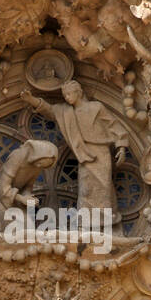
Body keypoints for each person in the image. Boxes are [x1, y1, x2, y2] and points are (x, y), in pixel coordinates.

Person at [22, 80, 127, 212]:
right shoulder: (65, 111)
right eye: (65, 95)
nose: (67, 97)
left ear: (79, 93)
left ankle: (105, 222)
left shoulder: (96, 107)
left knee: (103, 187)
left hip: (100, 152)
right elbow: (49, 110)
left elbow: (114, 126)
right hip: (84, 155)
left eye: (69, 94)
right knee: (86, 189)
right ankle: (87, 221)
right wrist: (31, 99)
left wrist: (121, 147)